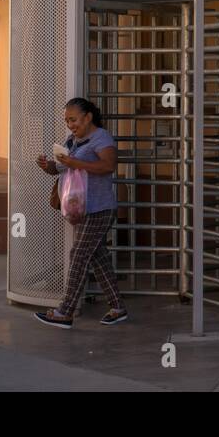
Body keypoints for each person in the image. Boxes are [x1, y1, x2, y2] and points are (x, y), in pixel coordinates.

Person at [34, 97, 128, 329]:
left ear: (88, 117)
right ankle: (118, 308)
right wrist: (48, 166)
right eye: (67, 120)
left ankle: (65, 312)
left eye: (74, 119)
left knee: (78, 256)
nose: (70, 124)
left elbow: (107, 166)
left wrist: (74, 162)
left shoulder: (101, 138)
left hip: (99, 208)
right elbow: (61, 168)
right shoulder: (72, 140)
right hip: (79, 209)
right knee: (99, 259)